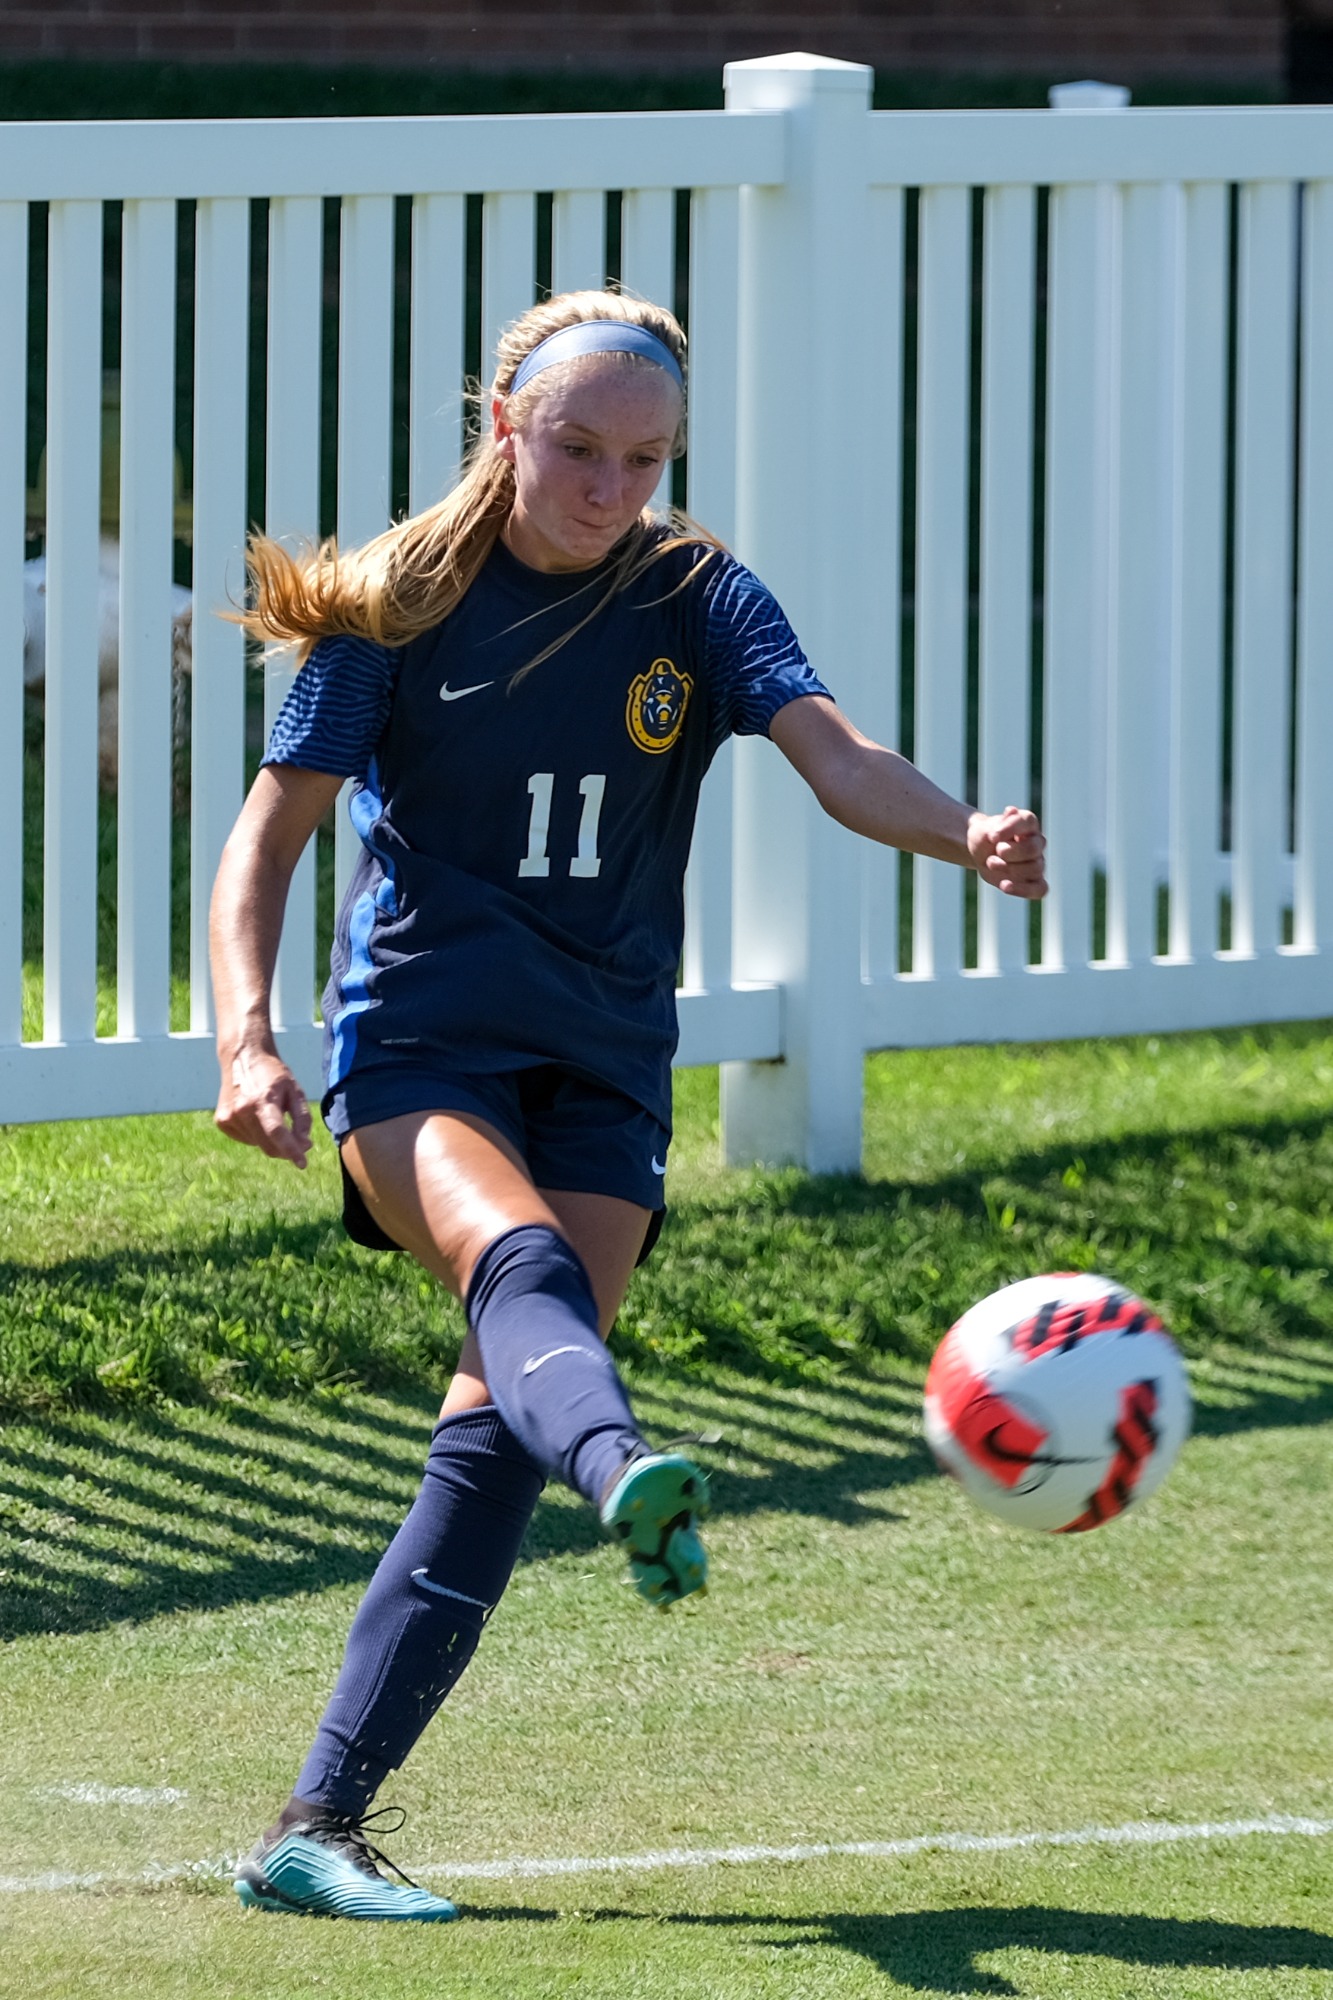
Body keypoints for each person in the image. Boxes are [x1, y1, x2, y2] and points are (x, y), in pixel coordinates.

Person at [209, 288, 1048, 1923]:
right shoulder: (390, 603)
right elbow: (270, 837)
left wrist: (965, 833)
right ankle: (626, 1471)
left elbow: (834, 756)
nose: (608, 488)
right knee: (517, 1273)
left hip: (602, 1055)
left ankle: (315, 1827)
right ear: (505, 427)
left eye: (642, 459)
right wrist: (247, 1039)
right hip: (421, 1046)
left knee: (496, 1430)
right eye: (576, 449)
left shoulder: (694, 591)